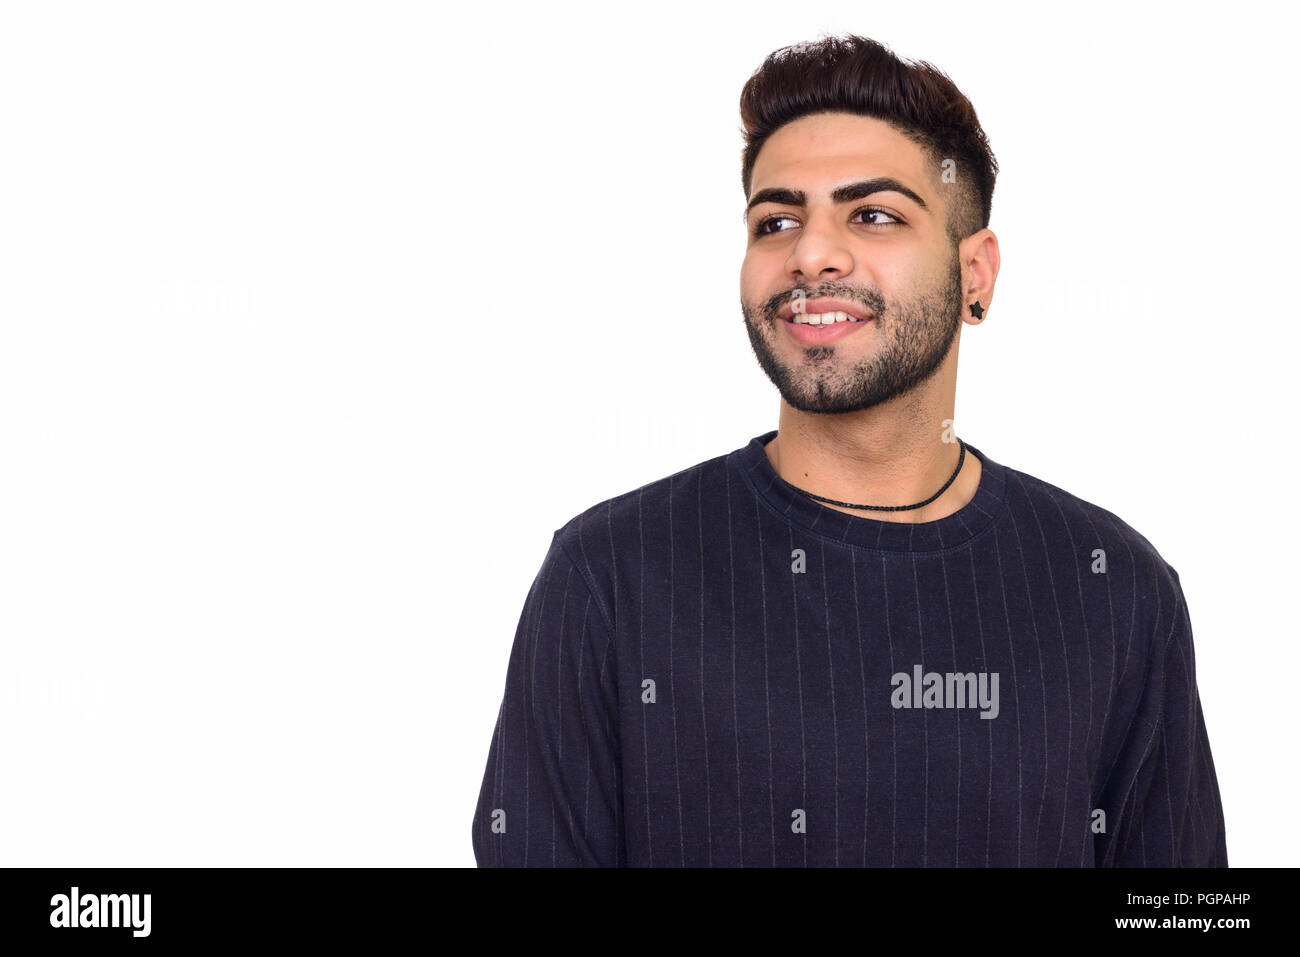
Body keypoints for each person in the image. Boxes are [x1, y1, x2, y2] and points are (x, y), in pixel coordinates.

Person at [471, 33, 1227, 867]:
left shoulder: (1113, 586)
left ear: (976, 274)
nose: (811, 253)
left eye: (873, 214)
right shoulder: (610, 576)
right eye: (777, 220)